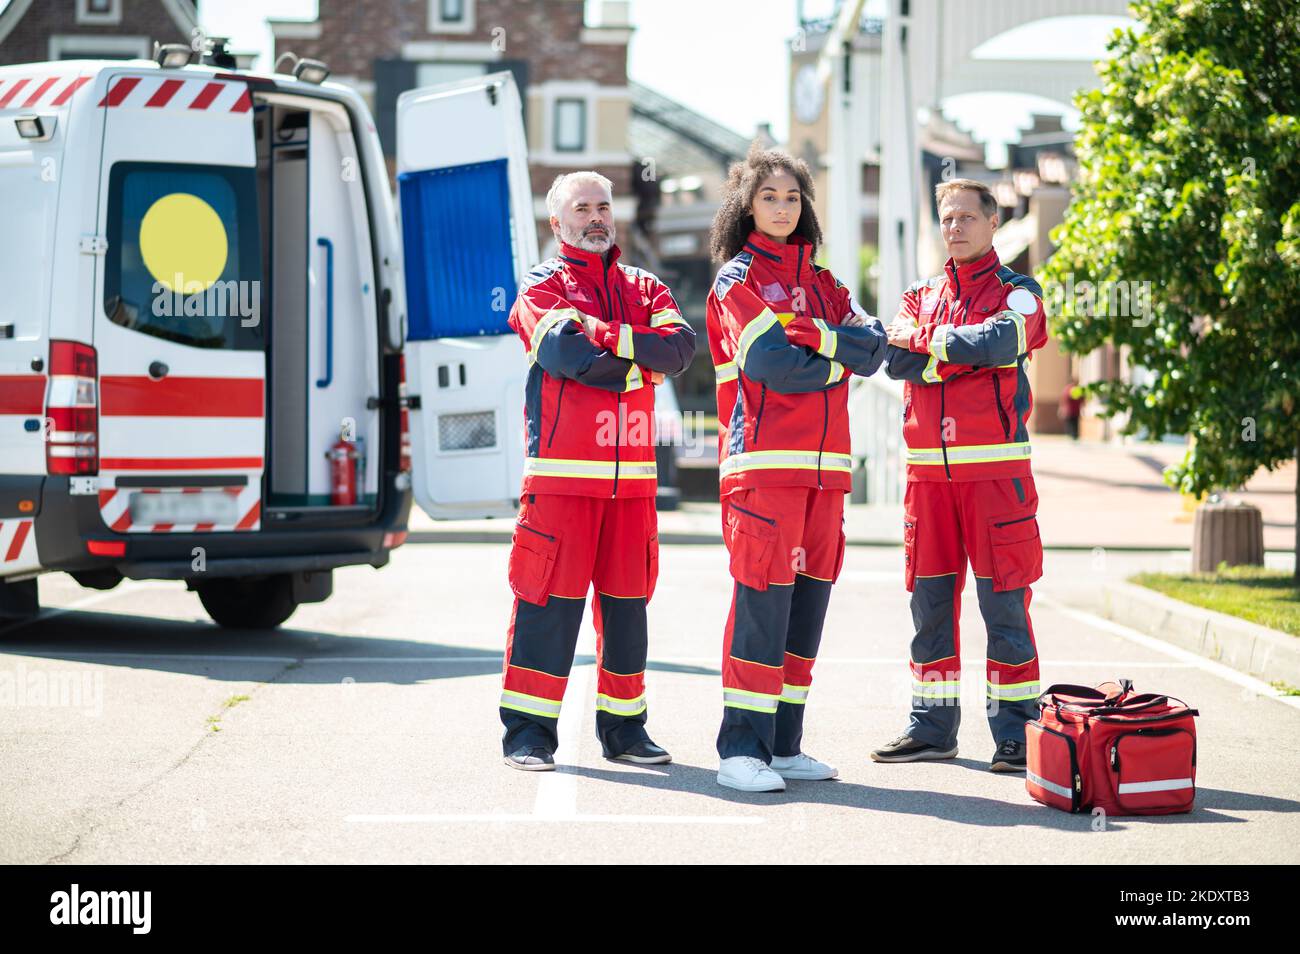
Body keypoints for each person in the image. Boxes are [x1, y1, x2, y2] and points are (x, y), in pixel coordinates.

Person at [498, 171, 696, 771]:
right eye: (581, 208)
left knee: (628, 606)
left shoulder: (645, 285)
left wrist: (609, 337)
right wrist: (639, 366)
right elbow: (565, 356)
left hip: (632, 485)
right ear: (556, 223)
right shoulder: (540, 285)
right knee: (547, 606)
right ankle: (529, 735)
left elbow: (681, 350)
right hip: (561, 479)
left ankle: (626, 732)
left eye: (603, 206)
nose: (595, 217)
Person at [705, 144, 888, 792]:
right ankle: (739, 752)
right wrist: (840, 356)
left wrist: (826, 340)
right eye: (768, 197)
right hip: (763, 468)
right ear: (746, 206)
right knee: (762, 606)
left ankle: (783, 746)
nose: (782, 207)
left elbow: (878, 346)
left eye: (791, 196)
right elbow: (768, 364)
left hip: (825, 475)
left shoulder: (826, 283)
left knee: (805, 611)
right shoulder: (736, 279)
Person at [872, 178, 1048, 772]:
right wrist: (956, 353)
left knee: (1004, 611)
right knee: (930, 609)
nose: (956, 227)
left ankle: (1019, 735)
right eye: (947, 217)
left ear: (992, 222)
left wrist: (935, 350)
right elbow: (893, 357)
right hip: (928, 486)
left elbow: (1005, 339)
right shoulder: (920, 293)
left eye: (967, 217)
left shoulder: (1019, 291)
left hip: (997, 482)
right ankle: (931, 729)